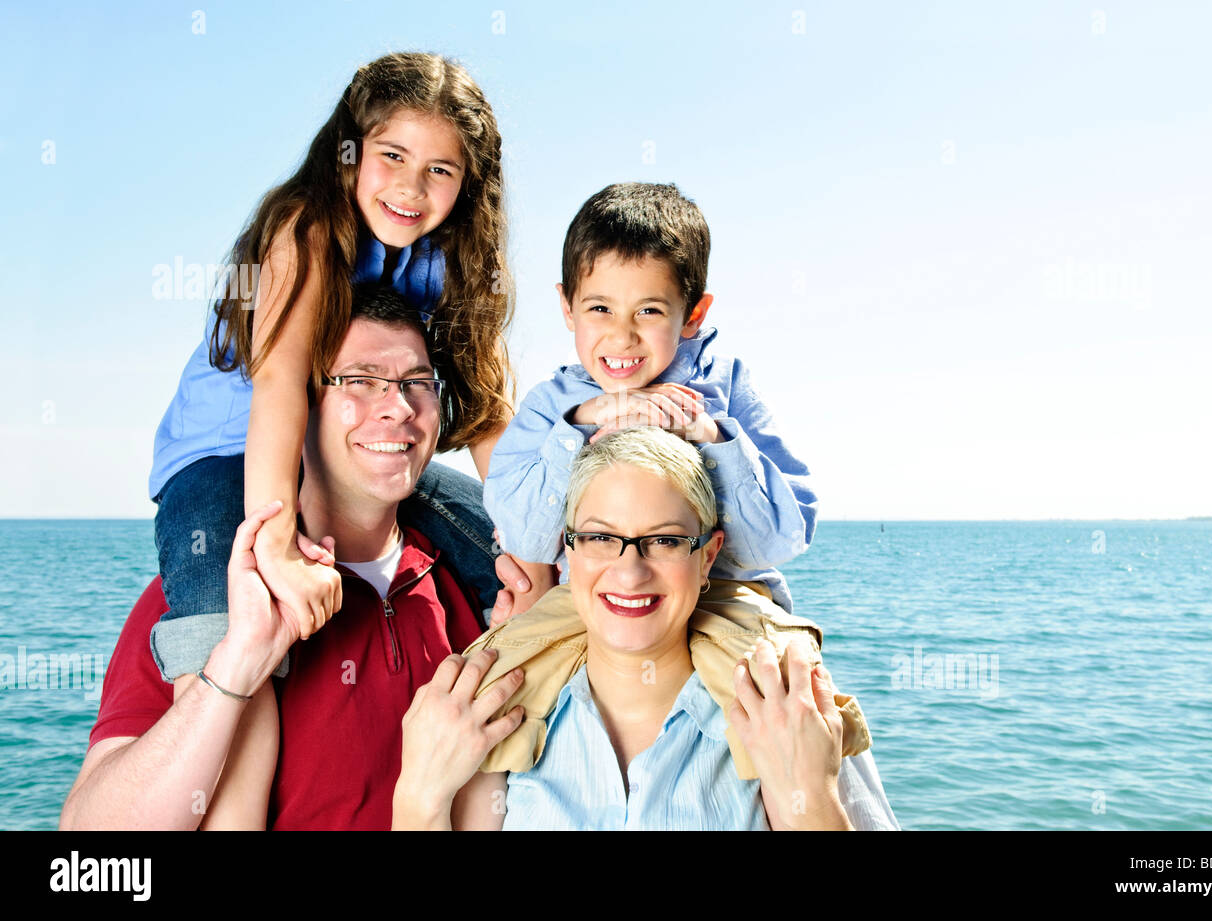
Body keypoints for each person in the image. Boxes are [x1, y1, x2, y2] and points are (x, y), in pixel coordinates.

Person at [60, 288, 525, 830]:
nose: (398, 405)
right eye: (360, 380)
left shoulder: (476, 589)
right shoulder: (206, 598)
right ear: (298, 407)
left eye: (415, 383)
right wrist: (236, 662)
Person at [469, 182, 869, 777]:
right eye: (599, 308)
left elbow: (778, 541)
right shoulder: (553, 405)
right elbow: (526, 536)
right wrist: (579, 426)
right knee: (489, 684)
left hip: (727, 603)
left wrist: (713, 439)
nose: (622, 336)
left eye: (649, 311)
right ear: (566, 305)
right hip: (595, 604)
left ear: (694, 314)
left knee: (795, 707)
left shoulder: (725, 388)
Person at [392, 426, 898, 830]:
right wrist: (417, 797)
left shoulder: (792, 710)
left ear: (708, 558)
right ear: (569, 551)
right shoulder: (501, 720)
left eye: (666, 541)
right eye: (600, 537)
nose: (630, 571)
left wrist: (811, 805)